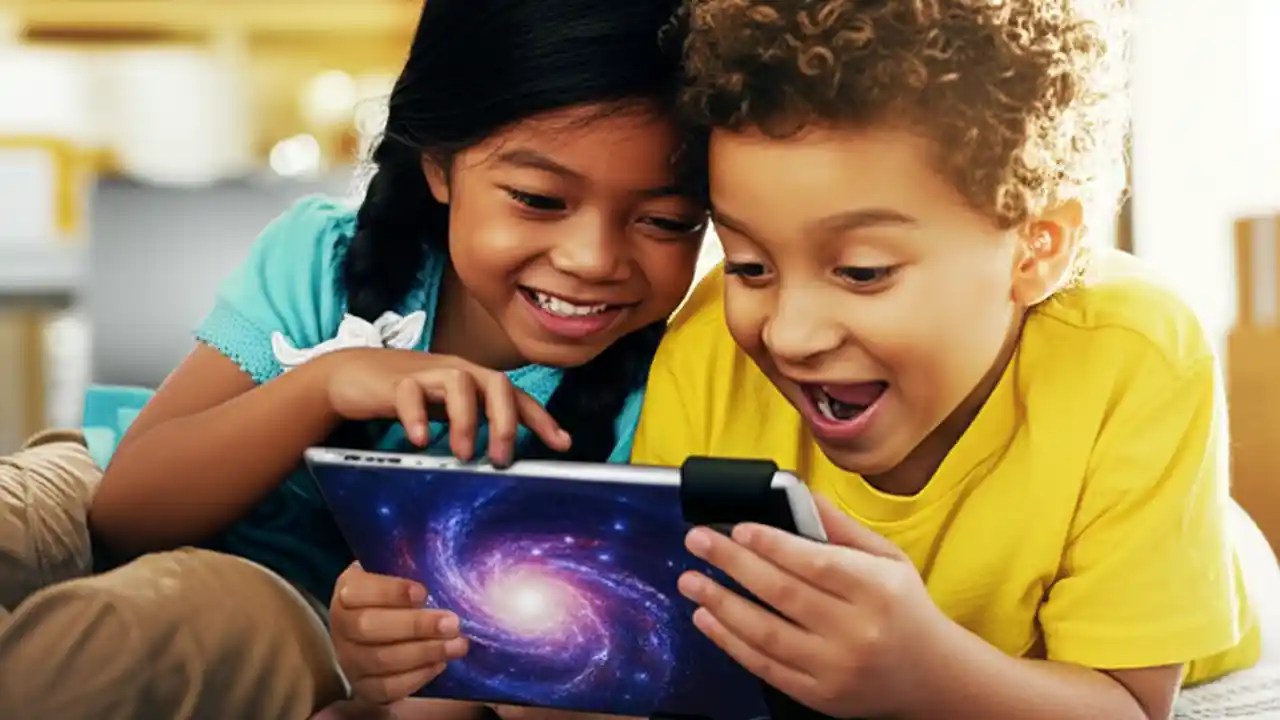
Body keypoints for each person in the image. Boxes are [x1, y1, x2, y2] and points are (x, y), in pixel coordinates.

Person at [0, 0, 705, 716]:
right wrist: (324, 385)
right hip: (110, 476)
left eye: (667, 221)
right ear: (439, 163)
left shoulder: (669, 394)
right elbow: (123, 511)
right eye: (537, 199)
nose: (592, 260)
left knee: (134, 632)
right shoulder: (326, 256)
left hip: (297, 617)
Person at [633, 1, 1261, 718]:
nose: (791, 334)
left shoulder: (1137, 352)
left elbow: (1129, 705)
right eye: (748, 264)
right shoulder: (704, 354)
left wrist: (926, 672)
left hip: (1190, 660)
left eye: (863, 271)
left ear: (1037, 248)